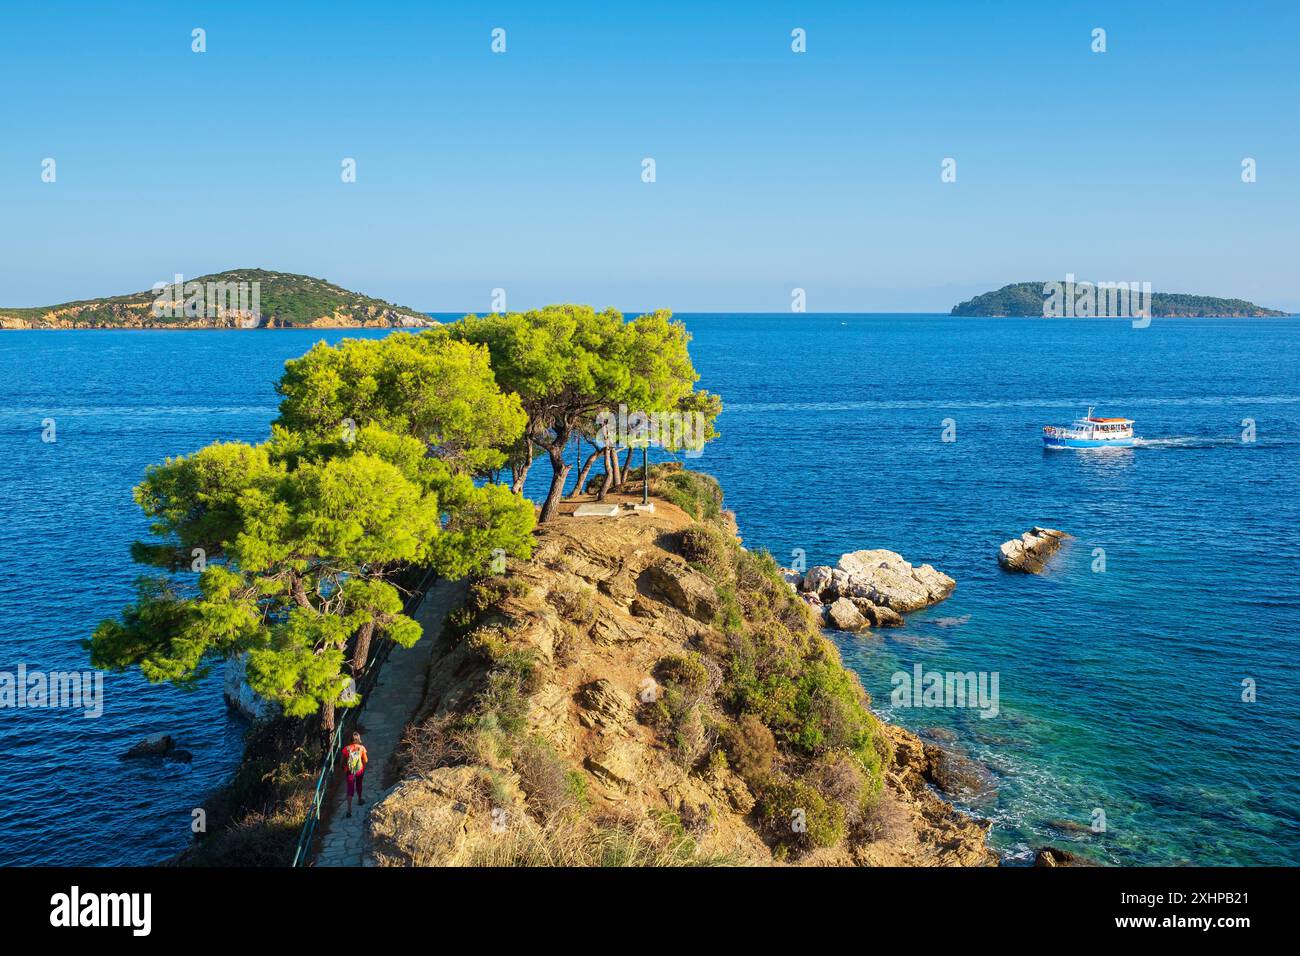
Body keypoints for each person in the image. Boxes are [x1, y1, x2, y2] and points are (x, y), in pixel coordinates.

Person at [341, 732, 368, 818]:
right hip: (359, 770)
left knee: (350, 789)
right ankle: (360, 799)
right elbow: (366, 760)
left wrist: (344, 768)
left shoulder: (346, 749)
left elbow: (342, 761)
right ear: (358, 739)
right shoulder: (361, 748)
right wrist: (361, 764)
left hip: (350, 771)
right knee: (359, 784)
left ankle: (349, 809)